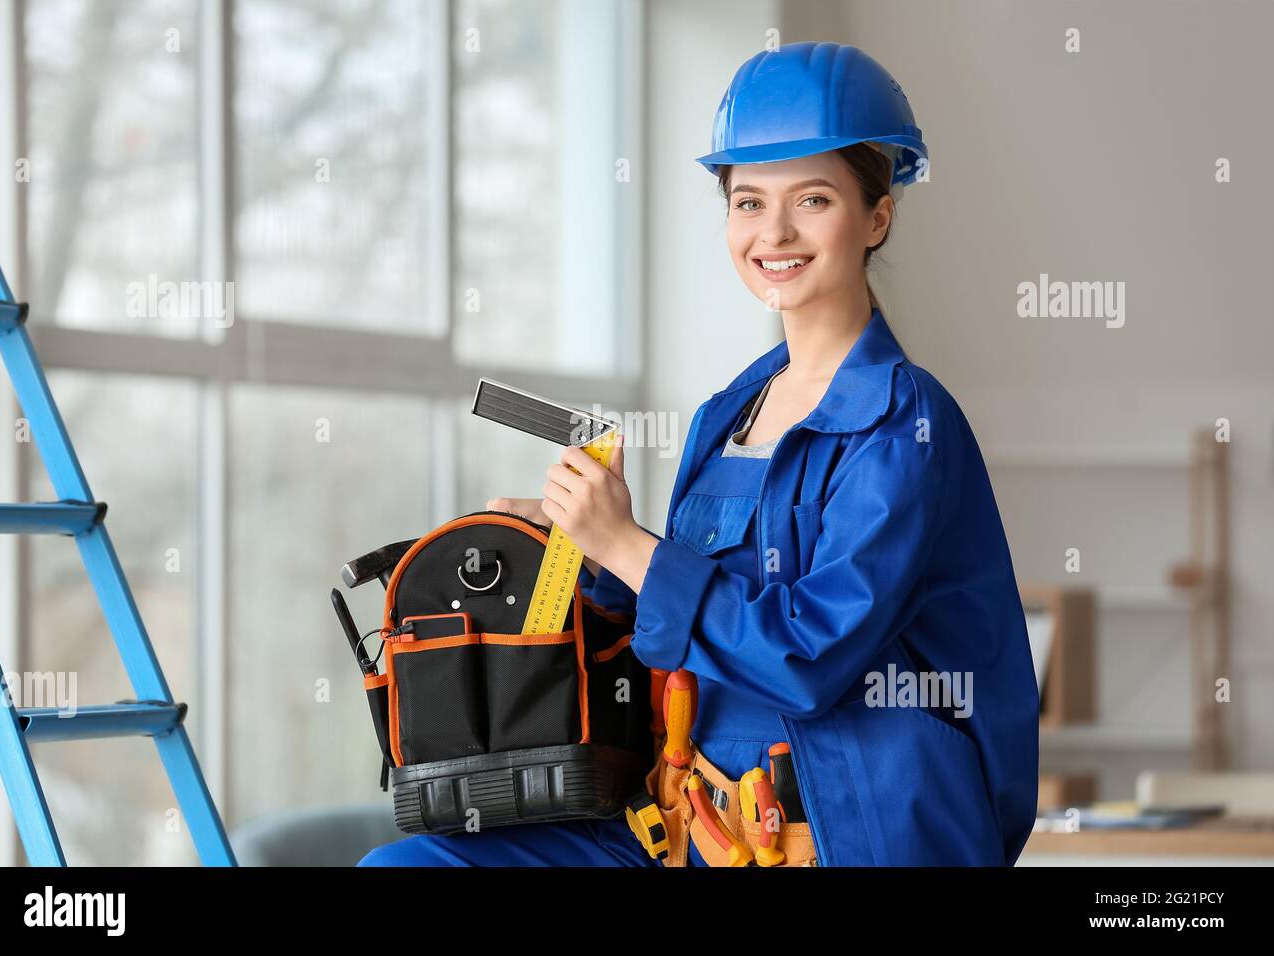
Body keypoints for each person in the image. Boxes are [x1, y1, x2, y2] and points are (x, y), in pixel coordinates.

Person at [360, 41, 1038, 868]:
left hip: (849, 836)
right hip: (690, 824)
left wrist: (629, 546)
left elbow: (808, 659)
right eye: (748, 202)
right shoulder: (728, 414)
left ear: (878, 216)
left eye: (813, 199)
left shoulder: (904, 425)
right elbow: (674, 614)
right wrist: (575, 546)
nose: (774, 232)